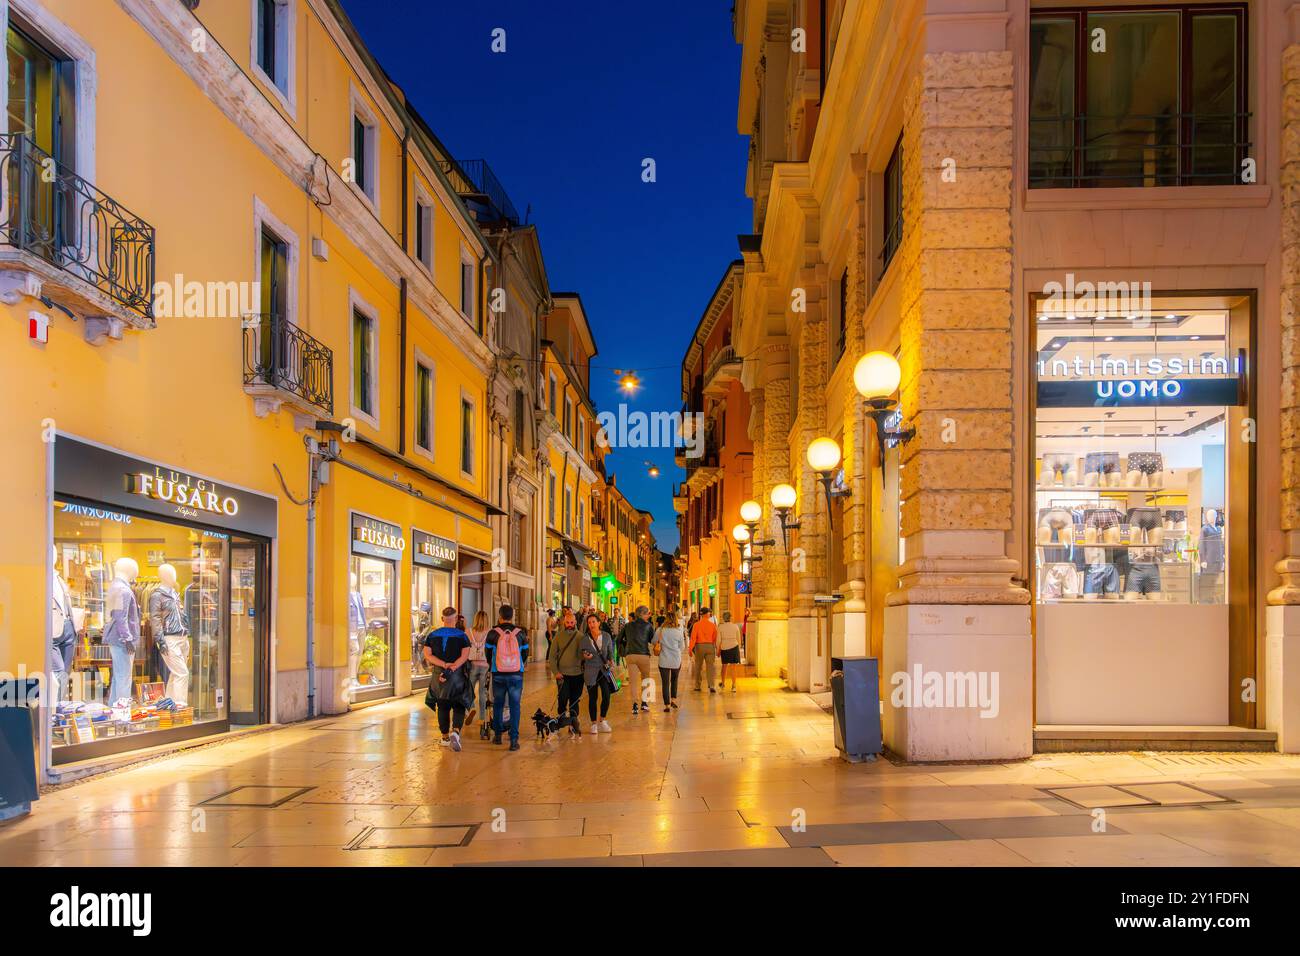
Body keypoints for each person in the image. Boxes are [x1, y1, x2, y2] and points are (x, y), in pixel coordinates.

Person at [423, 607, 474, 750]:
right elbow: (465, 655)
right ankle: (456, 732)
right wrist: (453, 666)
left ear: (442, 619)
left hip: (438, 675)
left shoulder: (432, 635)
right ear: (456, 619)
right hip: (457, 675)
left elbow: (428, 654)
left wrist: (443, 664)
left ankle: (445, 737)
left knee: (443, 706)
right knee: (459, 704)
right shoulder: (462, 636)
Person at [484, 604, 529, 751]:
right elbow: (525, 653)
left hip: (498, 674)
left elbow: (488, 654)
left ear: (500, 616)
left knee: (498, 703)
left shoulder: (492, 633)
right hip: (516, 674)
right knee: (515, 705)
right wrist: (517, 664)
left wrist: (494, 666)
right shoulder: (520, 633)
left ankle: (497, 736)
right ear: (512, 616)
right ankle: (514, 740)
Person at [547, 607, 585, 736]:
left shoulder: (580, 637)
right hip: (562, 675)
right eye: (568, 623)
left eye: (572, 623)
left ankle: (573, 723)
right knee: (563, 699)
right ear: (564, 623)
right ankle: (561, 720)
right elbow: (552, 656)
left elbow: (584, 655)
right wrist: (555, 672)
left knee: (575, 700)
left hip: (578, 674)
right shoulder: (558, 636)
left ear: (575, 623)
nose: (570, 625)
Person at [580, 612, 615, 734]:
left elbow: (610, 652)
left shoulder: (606, 636)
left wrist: (611, 661)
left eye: (593, 622)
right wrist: (584, 656)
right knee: (592, 698)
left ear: (599, 623)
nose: (591, 624)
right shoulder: (585, 638)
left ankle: (603, 720)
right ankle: (594, 723)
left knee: (606, 695)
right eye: (589, 623)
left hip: (604, 671)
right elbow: (581, 653)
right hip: (590, 671)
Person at [621, 605, 657, 715]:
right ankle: (645, 703)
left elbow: (619, 639)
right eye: (647, 614)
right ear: (643, 614)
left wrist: (625, 648)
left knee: (633, 680)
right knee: (645, 679)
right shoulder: (648, 626)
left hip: (630, 655)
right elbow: (653, 641)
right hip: (643, 655)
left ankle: (635, 705)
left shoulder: (627, 625)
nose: (648, 615)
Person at [465, 609, 493, 738]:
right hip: (485, 665)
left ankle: (470, 709)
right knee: (483, 693)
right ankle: (482, 718)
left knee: (469, 689)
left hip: (473, 665)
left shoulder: (469, 632)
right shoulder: (490, 632)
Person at [654, 612, 686, 712]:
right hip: (676, 660)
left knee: (665, 682)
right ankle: (673, 700)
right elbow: (682, 647)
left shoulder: (660, 630)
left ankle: (667, 705)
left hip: (663, 660)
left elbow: (654, 641)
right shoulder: (678, 631)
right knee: (674, 680)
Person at [689, 607, 719, 693]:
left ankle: (697, 686)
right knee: (710, 666)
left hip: (699, 647)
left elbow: (693, 638)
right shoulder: (712, 625)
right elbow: (715, 637)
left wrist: (690, 649)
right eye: (709, 613)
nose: (710, 614)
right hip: (709, 646)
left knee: (698, 666)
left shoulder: (696, 625)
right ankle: (711, 685)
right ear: (706, 614)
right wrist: (715, 648)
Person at [717, 610, 743, 693]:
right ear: (730, 618)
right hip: (734, 647)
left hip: (724, 648)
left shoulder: (720, 627)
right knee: (733, 668)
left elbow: (718, 640)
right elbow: (739, 639)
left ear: (724, 618)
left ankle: (723, 683)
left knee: (724, 666)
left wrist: (718, 649)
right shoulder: (735, 626)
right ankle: (734, 686)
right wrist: (738, 648)